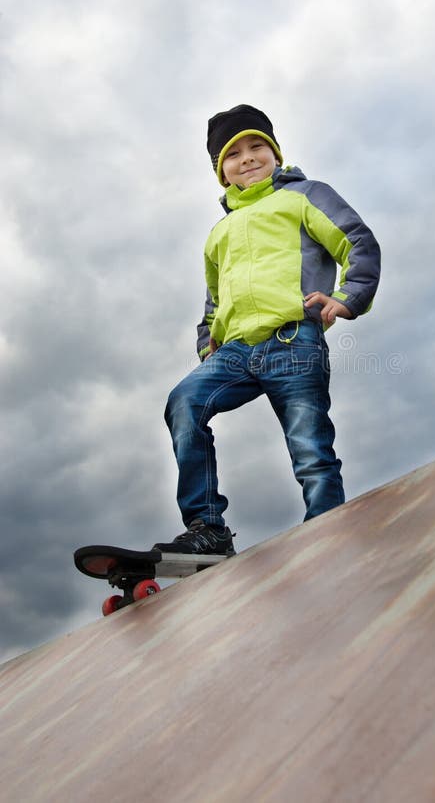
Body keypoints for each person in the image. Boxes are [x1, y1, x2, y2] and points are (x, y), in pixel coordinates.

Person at [154, 104, 381, 556]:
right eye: (234, 154)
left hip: (292, 340)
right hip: (235, 351)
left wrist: (348, 297)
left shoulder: (304, 196)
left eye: (258, 146)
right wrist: (207, 347)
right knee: (185, 402)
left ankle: (326, 530)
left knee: (310, 446)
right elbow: (213, 300)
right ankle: (208, 527)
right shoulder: (219, 233)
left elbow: (356, 240)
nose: (249, 157)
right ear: (223, 173)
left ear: (276, 153)